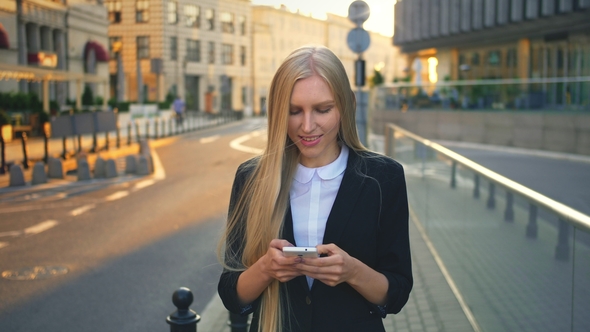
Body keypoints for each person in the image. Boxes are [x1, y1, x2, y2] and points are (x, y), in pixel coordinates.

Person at [217, 45, 412, 332]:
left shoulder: (384, 178)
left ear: (346, 105)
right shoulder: (252, 178)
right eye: (294, 111)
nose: (307, 126)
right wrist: (266, 269)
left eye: (323, 109)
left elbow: (396, 293)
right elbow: (232, 295)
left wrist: (352, 271)